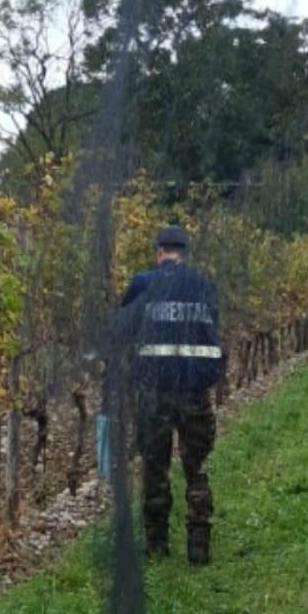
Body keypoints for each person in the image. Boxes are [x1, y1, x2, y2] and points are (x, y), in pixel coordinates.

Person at [119, 225, 223, 565]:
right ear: (185, 254)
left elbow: (122, 334)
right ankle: (199, 545)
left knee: (155, 467)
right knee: (197, 467)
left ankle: (156, 544)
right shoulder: (204, 286)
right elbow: (214, 336)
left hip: (155, 394)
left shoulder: (142, 285)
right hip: (195, 392)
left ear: (158, 252)